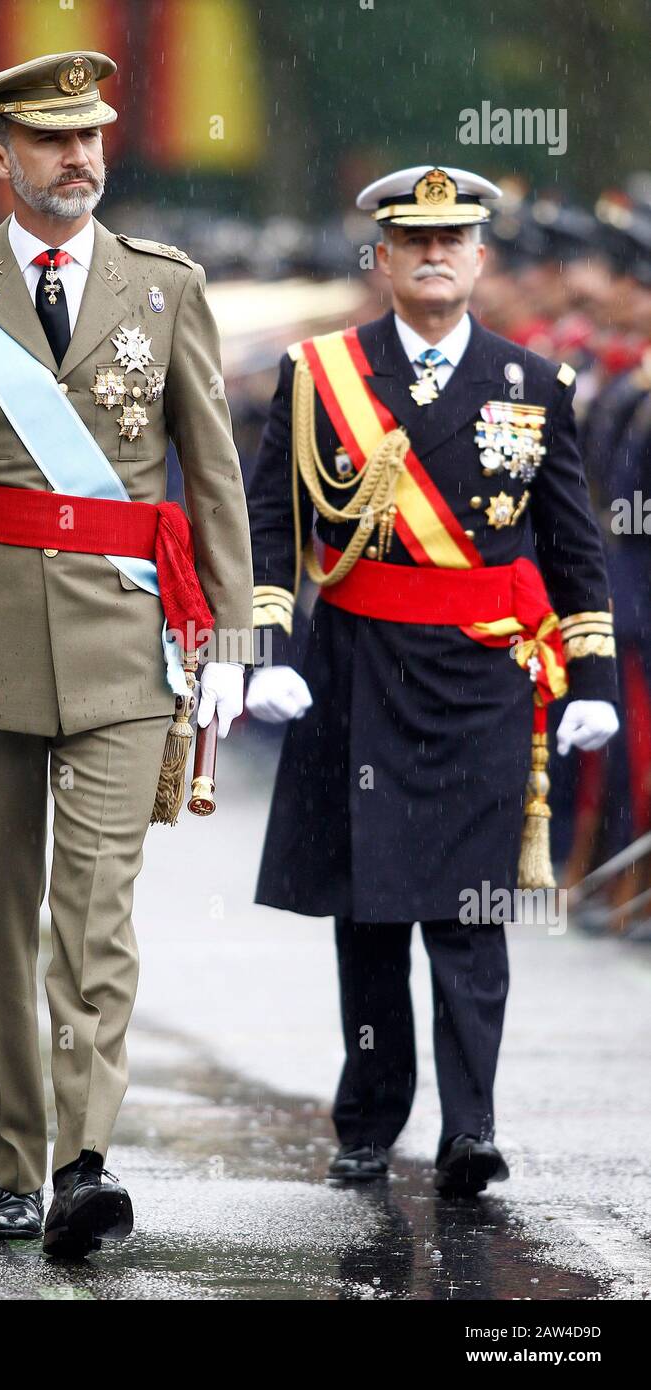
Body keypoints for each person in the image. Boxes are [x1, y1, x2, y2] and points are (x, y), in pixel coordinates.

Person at [0, 50, 252, 1256]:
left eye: (91, 138)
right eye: (50, 141)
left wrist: (230, 633)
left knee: (94, 913)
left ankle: (83, 1163)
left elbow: (211, 466)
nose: (78, 158)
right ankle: (14, 1164)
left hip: (128, 644)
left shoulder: (165, 285)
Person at [245, 165, 619, 1196]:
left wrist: (590, 678)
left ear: (480, 259)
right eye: (413, 242)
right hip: (358, 670)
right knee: (368, 915)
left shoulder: (531, 383)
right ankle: (367, 1116)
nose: (434, 255)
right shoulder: (320, 375)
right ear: (383, 257)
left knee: (469, 912)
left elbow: (573, 546)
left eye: (453, 241)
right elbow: (271, 524)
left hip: (483, 677)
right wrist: (267, 653)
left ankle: (469, 1128)